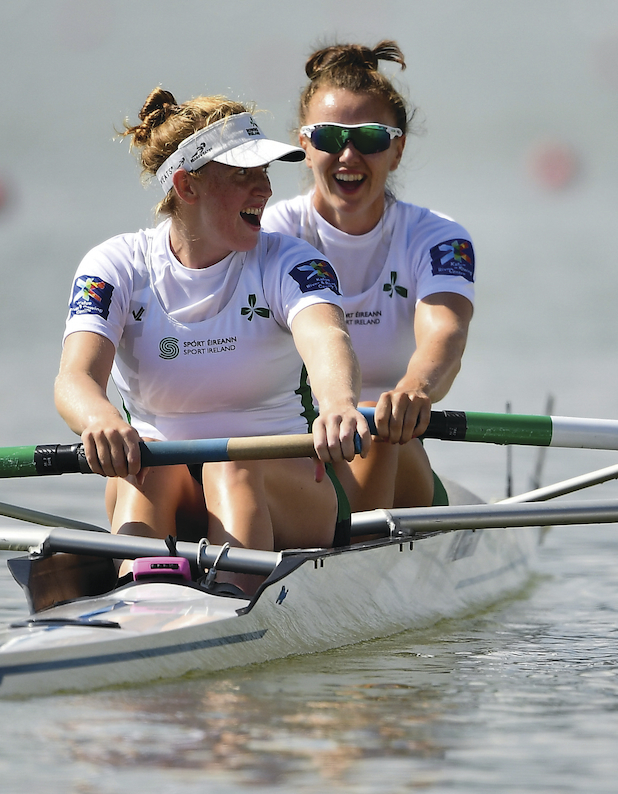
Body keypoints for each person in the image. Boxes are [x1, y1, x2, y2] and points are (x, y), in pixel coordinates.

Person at [55, 89, 372, 588]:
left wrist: (338, 402)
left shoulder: (292, 262)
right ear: (186, 185)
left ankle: (230, 598)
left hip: (287, 487)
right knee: (149, 466)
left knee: (232, 464)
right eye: (244, 174)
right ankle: (142, 597)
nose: (265, 189)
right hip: (163, 481)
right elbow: (75, 378)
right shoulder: (114, 266)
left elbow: (327, 336)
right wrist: (99, 420)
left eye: (264, 172)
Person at [262, 40, 475, 512]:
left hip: (390, 450)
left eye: (371, 138)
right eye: (329, 137)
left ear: (397, 149)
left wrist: (414, 389)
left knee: (375, 430)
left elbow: (446, 333)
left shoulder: (439, 239)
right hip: (295, 455)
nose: (348, 155)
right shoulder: (271, 235)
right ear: (305, 146)